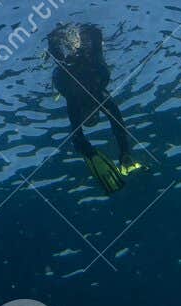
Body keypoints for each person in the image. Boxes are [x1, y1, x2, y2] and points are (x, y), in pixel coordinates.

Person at [47, 22, 140, 195]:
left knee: (65, 71)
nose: (88, 114)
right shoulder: (101, 98)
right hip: (90, 72)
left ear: (82, 116)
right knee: (101, 72)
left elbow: (77, 137)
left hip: (70, 75)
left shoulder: (74, 103)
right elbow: (118, 123)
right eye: (93, 117)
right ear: (97, 113)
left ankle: (55, 37)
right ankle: (89, 33)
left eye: (86, 118)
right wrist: (124, 152)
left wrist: (91, 154)